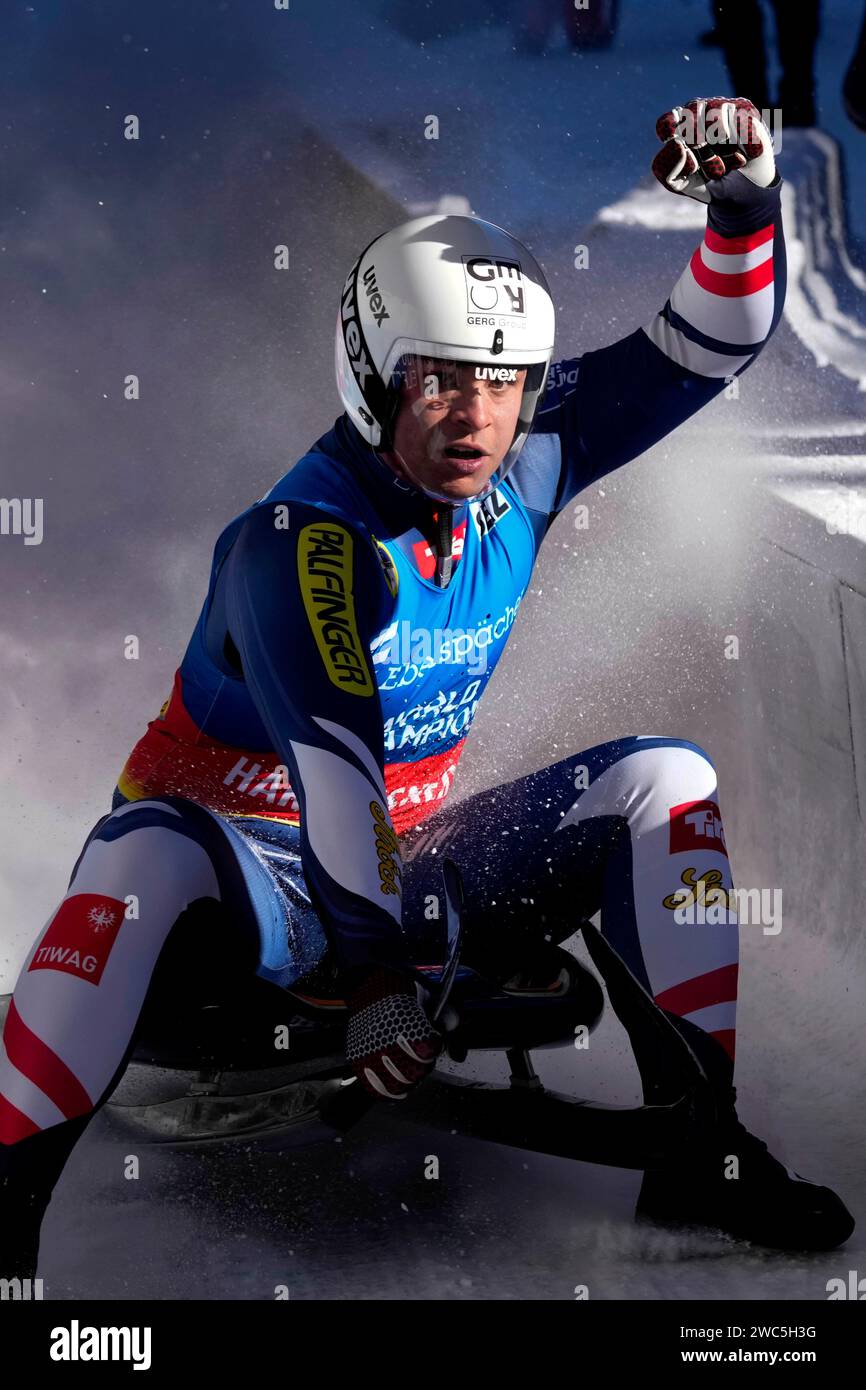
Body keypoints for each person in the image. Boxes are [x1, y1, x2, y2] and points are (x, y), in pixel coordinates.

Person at [0, 97, 854, 1283]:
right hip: (234, 910)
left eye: (502, 384)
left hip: (399, 872)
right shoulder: (300, 541)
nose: (475, 417)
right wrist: (384, 983)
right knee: (142, 854)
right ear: (370, 377)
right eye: (439, 381)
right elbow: (335, 766)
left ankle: (699, 1151)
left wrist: (743, 201)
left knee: (669, 778)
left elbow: (702, 347)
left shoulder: (530, 449)